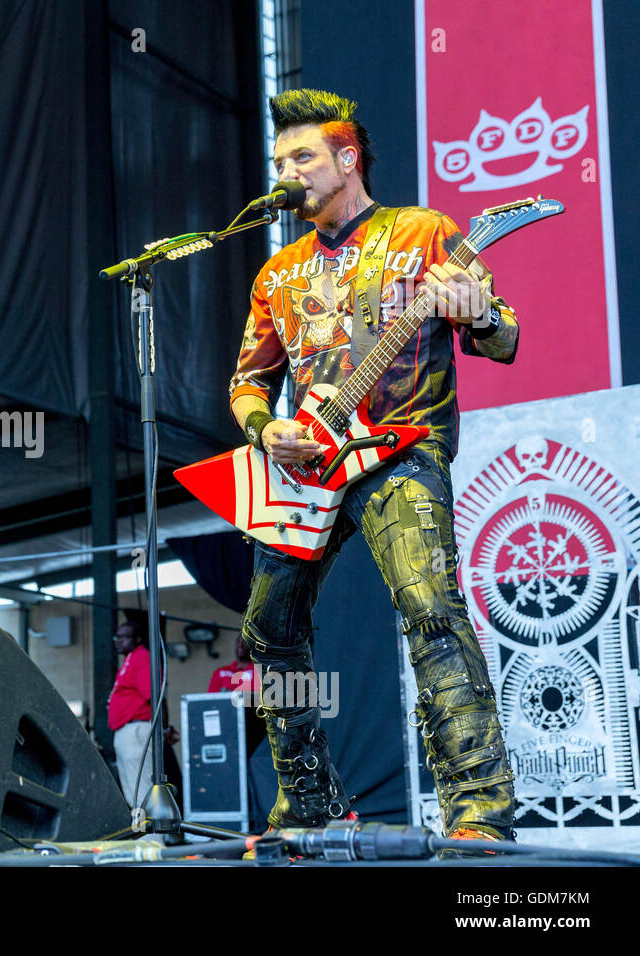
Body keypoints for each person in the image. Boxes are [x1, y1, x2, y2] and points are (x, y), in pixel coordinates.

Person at [227, 89, 518, 846]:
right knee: (268, 626)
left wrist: (475, 310)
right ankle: (308, 802)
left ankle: (479, 810)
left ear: (346, 158)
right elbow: (247, 383)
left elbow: (503, 332)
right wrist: (267, 430)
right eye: (279, 160)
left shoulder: (423, 232)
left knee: (428, 605)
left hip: (402, 448)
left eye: (303, 158)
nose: (287, 171)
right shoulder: (278, 273)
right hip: (310, 464)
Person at [107, 609, 181, 806]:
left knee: (142, 789)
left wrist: (164, 728)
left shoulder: (142, 657)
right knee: (133, 790)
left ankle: (153, 836)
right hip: (126, 730)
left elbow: (157, 697)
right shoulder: (130, 659)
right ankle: (144, 835)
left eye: (125, 637)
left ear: (138, 638)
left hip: (137, 731)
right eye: (118, 636)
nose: (119, 640)